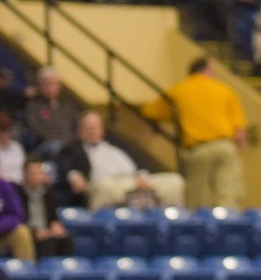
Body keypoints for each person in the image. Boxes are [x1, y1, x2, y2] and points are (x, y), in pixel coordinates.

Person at [139, 59, 246, 208]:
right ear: (207, 70)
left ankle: (200, 228)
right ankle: (228, 225)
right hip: (224, 147)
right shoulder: (224, 89)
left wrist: (155, 126)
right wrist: (239, 146)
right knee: (228, 196)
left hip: (197, 151)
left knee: (197, 199)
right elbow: (239, 133)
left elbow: (149, 112)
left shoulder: (179, 90)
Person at [57, 110, 187, 209]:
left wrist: (142, 175)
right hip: (107, 185)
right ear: (79, 130)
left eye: (96, 125)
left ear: (102, 128)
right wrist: (74, 177)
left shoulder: (116, 142)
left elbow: (139, 160)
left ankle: (170, 226)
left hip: (134, 181)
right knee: (105, 187)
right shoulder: (72, 149)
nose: (92, 129)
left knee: (175, 181)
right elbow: (65, 164)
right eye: (88, 126)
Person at [20, 157, 72, 257]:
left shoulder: (48, 193)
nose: (36, 176)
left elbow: (53, 217)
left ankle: (66, 269)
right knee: (48, 242)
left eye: (39, 173)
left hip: (46, 231)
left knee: (66, 238)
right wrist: (34, 231)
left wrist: (56, 225)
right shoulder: (18, 193)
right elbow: (18, 218)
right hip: (29, 232)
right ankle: (47, 270)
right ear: (25, 174)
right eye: (33, 173)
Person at [25, 67, 81, 159]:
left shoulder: (68, 106)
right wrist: (59, 141)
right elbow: (35, 129)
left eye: (53, 84)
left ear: (59, 86)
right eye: (46, 84)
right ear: (39, 86)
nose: (50, 87)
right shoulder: (33, 106)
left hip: (69, 144)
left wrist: (69, 141)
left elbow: (77, 126)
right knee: (56, 147)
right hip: (46, 146)